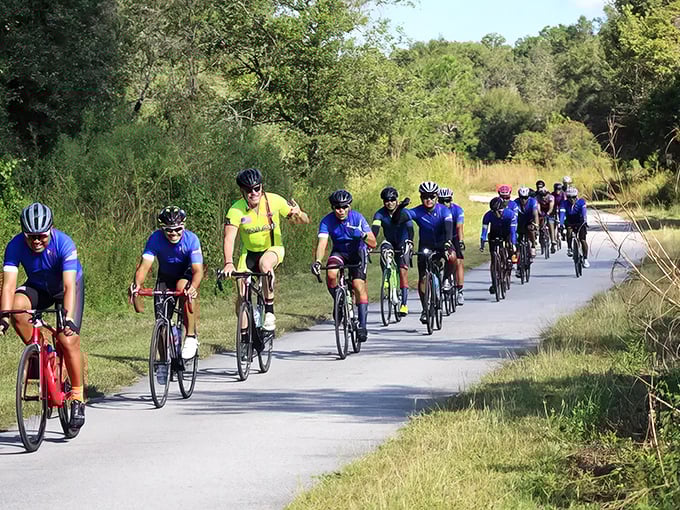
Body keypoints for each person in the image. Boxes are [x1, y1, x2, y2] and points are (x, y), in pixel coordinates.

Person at [1, 203, 86, 429]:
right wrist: (4, 318)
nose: (36, 241)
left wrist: (67, 318)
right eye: (31, 237)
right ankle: (43, 350)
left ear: (51, 230)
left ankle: (77, 395)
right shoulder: (15, 245)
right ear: (23, 233)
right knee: (18, 308)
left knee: (68, 339)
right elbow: (9, 287)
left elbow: (69, 286)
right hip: (38, 288)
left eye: (42, 236)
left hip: (65, 289)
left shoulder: (64, 244)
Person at [222, 168, 309, 337]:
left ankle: (269, 311)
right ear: (242, 191)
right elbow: (229, 238)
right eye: (248, 190)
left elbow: (303, 221)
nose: (253, 193)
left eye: (257, 188)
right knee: (241, 295)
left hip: (273, 249)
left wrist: (299, 213)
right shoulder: (236, 210)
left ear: (262, 187)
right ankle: (246, 338)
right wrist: (228, 263)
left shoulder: (274, 201)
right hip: (248, 254)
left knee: (265, 264)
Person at [129, 206, 204, 372]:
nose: (174, 234)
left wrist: (193, 287)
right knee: (161, 322)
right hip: (165, 276)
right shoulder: (155, 239)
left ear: (183, 227)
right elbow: (144, 267)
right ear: (162, 229)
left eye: (178, 229)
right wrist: (138, 285)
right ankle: (163, 362)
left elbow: (198, 271)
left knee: (182, 287)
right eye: (169, 230)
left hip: (186, 274)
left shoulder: (191, 240)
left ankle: (190, 336)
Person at [312, 190, 377, 342]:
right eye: (337, 207)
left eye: (344, 207)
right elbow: (322, 243)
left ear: (349, 206)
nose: (340, 210)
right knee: (331, 274)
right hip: (339, 251)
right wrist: (318, 261)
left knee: (358, 285)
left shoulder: (358, 218)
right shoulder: (327, 221)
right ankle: (339, 302)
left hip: (357, 251)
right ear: (332, 208)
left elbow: (373, 242)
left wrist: (363, 235)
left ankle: (362, 325)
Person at [394, 181, 455, 324]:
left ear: (436, 197)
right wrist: (400, 208)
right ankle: (425, 310)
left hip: (443, 243)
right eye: (425, 197)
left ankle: (446, 279)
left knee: (452, 257)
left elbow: (448, 229)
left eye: (432, 197)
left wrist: (447, 243)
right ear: (421, 198)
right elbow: (398, 220)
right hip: (425, 246)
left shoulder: (444, 211)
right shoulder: (417, 211)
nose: (428, 200)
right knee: (423, 279)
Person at [371, 187, 414, 316]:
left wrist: (410, 241)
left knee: (402, 271)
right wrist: (370, 243)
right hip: (389, 241)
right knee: (384, 251)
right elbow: (375, 229)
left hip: (402, 242)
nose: (389, 203)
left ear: (397, 200)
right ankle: (387, 275)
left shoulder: (405, 213)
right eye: (386, 200)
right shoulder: (379, 214)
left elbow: (410, 230)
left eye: (392, 200)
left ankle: (404, 304)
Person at [480, 197, 517, 294]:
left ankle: (509, 259)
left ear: (503, 209)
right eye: (495, 212)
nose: (497, 214)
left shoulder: (510, 214)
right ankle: (494, 282)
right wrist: (482, 242)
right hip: (494, 233)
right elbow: (484, 231)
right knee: (493, 257)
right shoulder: (488, 215)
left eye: (499, 211)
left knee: (510, 245)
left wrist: (513, 244)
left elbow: (513, 232)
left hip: (507, 232)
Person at [437, 187, 465, 305]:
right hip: (439, 237)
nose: (444, 203)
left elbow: (459, 227)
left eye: (447, 200)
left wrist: (461, 241)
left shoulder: (457, 210)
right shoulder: (436, 210)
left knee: (458, 262)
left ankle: (460, 290)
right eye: (441, 201)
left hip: (453, 236)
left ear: (451, 200)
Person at [559, 187, 590, 268]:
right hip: (570, 221)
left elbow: (584, 213)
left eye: (573, 197)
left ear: (576, 196)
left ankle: (585, 258)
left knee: (582, 240)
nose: (571, 199)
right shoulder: (564, 203)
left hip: (580, 221)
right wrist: (561, 224)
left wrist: (585, 221)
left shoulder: (581, 202)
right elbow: (562, 215)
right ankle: (569, 248)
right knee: (569, 231)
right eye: (569, 197)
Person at [514, 186, 539, 260]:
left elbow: (535, 214)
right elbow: (513, 216)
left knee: (530, 229)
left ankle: (533, 246)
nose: (523, 200)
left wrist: (536, 225)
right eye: (521, 197)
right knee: (517, 237)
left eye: (525, 198)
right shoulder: (516, 202)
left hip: (529, 220)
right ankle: (517, 257)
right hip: (520, 220)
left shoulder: (533, 202)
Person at [537, 188, 557, 253]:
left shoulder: (551, 197)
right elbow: (538, 208)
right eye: (541, 195)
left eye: (545, 195)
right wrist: (540, 213)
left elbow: (551, 207)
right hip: (542, 211)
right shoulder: (537, 198)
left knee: (550, 222)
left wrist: (548, 213)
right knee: (540, 223)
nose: (543, 197)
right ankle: (540, 235)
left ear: (548, 194)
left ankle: (553, 240)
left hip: (550, 211)